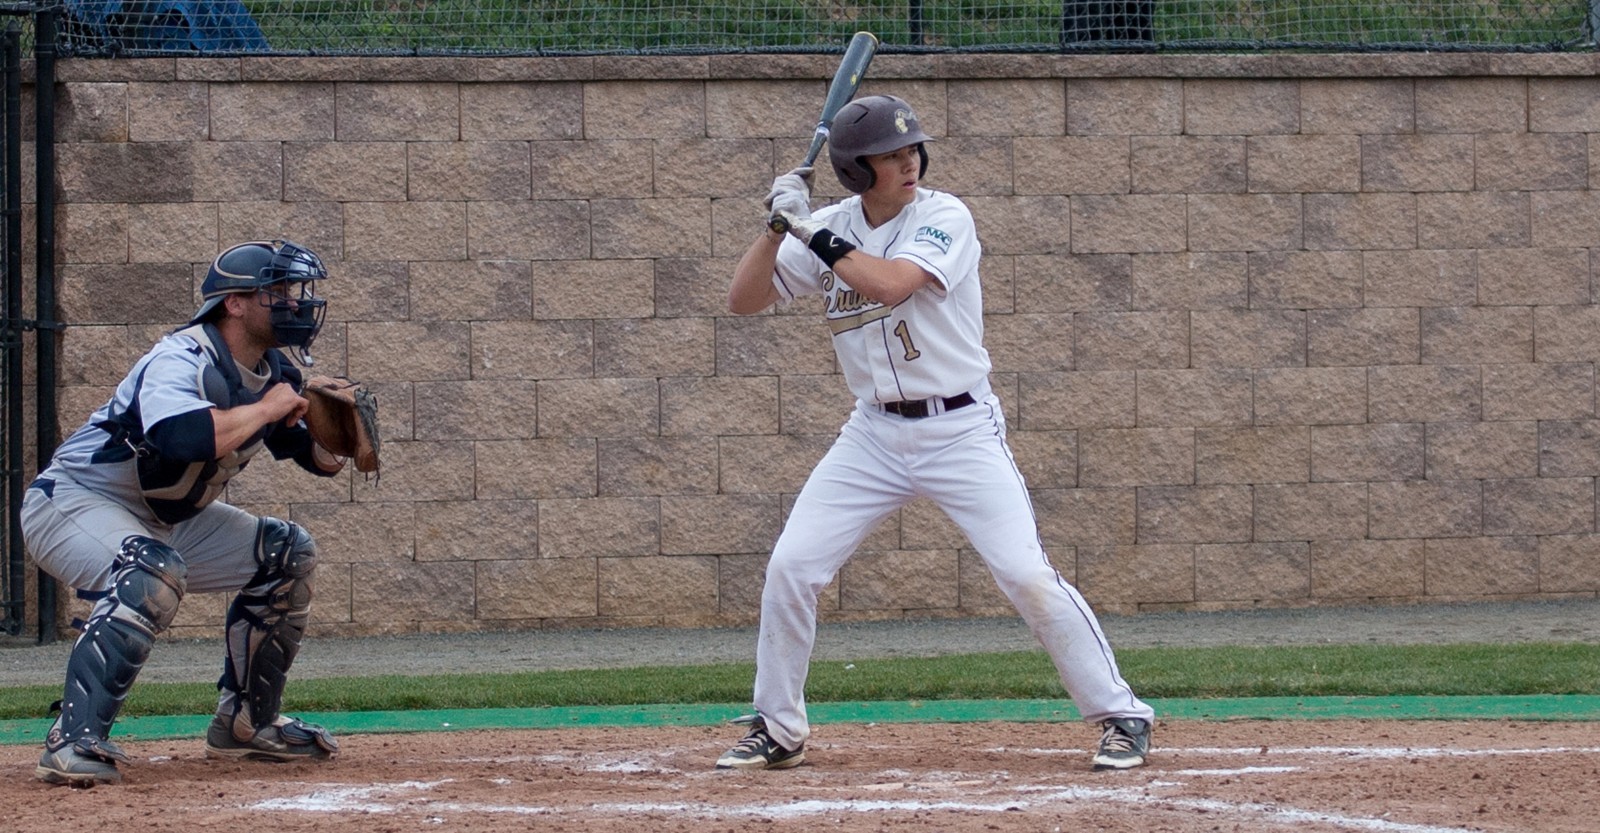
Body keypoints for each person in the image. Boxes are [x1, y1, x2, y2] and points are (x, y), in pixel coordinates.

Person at [716, 95, 1155, 772]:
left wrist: (809, 233)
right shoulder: (824, 224)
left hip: (960, 430)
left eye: (911, 149)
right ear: (856, 173)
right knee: (792, 567)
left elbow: (892, 284)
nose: (908, 162)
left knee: (1024, 573)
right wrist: (775, 228)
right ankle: (777, 726)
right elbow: (743, 299)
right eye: (889, 157)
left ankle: (1122, 713)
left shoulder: (944, 215)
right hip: (872, 435)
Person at [22, 239, 344, 786]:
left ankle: (245, 724)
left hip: (164, 516)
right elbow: (181, 436)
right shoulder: (182, 357)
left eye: (294, 292)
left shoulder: (276, 374)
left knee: (287, 553)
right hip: (74, 501)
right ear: (234, 303)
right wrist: (265, 409)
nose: (294, 303)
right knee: (150, 567)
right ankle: (71, 739)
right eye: (278, 291)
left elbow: (317, 462)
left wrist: (337, 436)